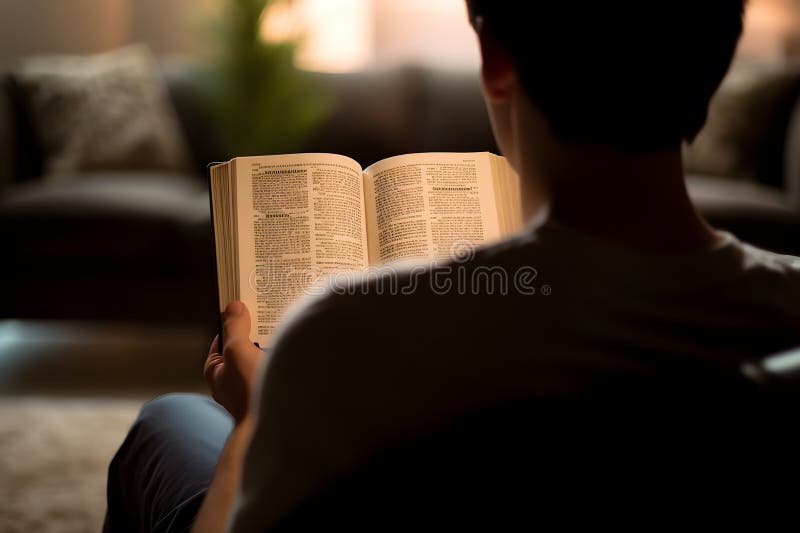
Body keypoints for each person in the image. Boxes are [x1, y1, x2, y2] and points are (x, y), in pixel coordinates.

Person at [105, 1, 800, 531]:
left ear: (495, 59)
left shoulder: (338, 337)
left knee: (171, 419)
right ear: (717, 64)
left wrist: (259, 423)